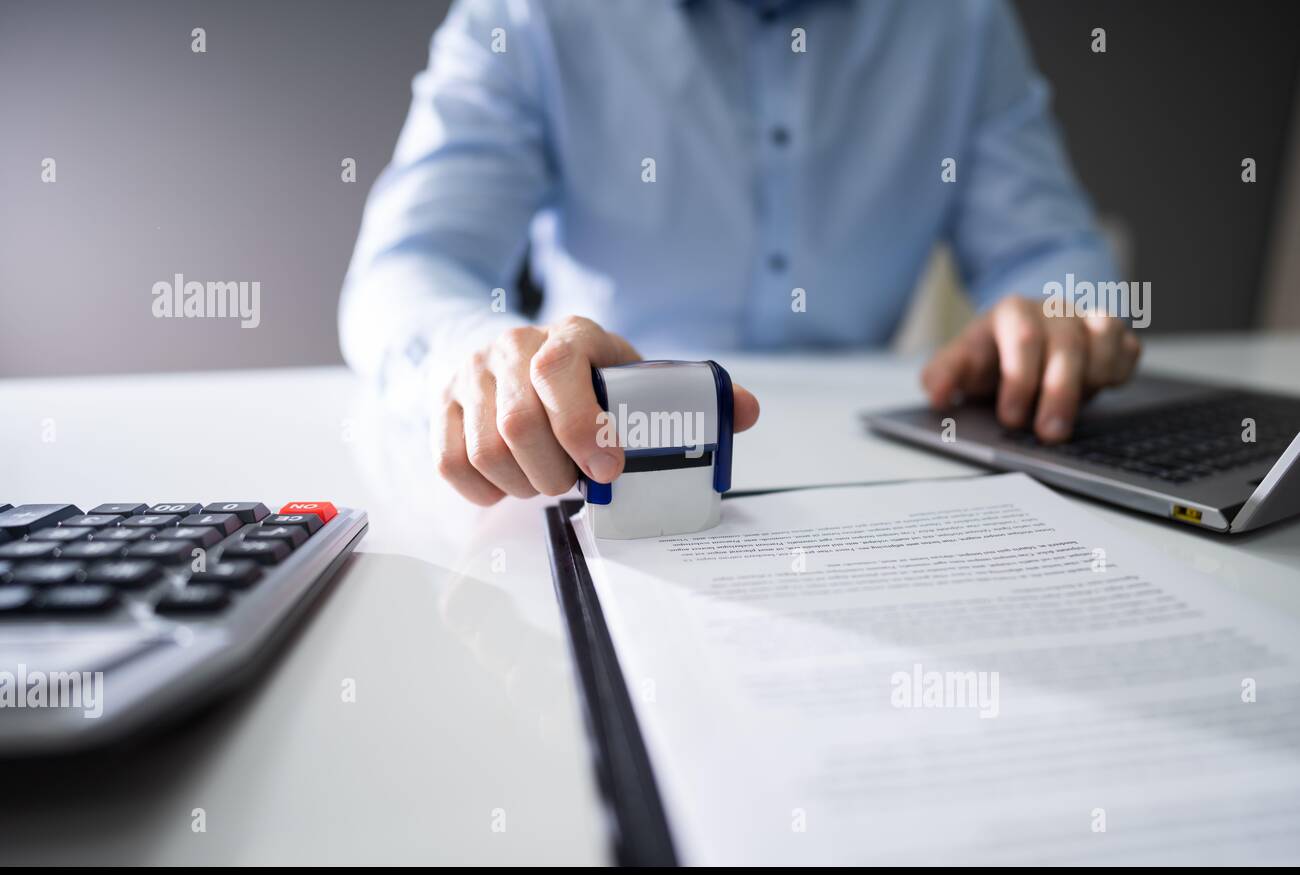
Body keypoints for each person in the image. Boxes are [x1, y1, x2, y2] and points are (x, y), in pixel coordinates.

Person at [340, 0, 1142, 506]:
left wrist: (1056, 317)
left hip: (878, 480)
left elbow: (1054, 254)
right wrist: (473, 357)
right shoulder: (529, 16)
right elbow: (409, 266)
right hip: (592, 474)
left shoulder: (963, 24)